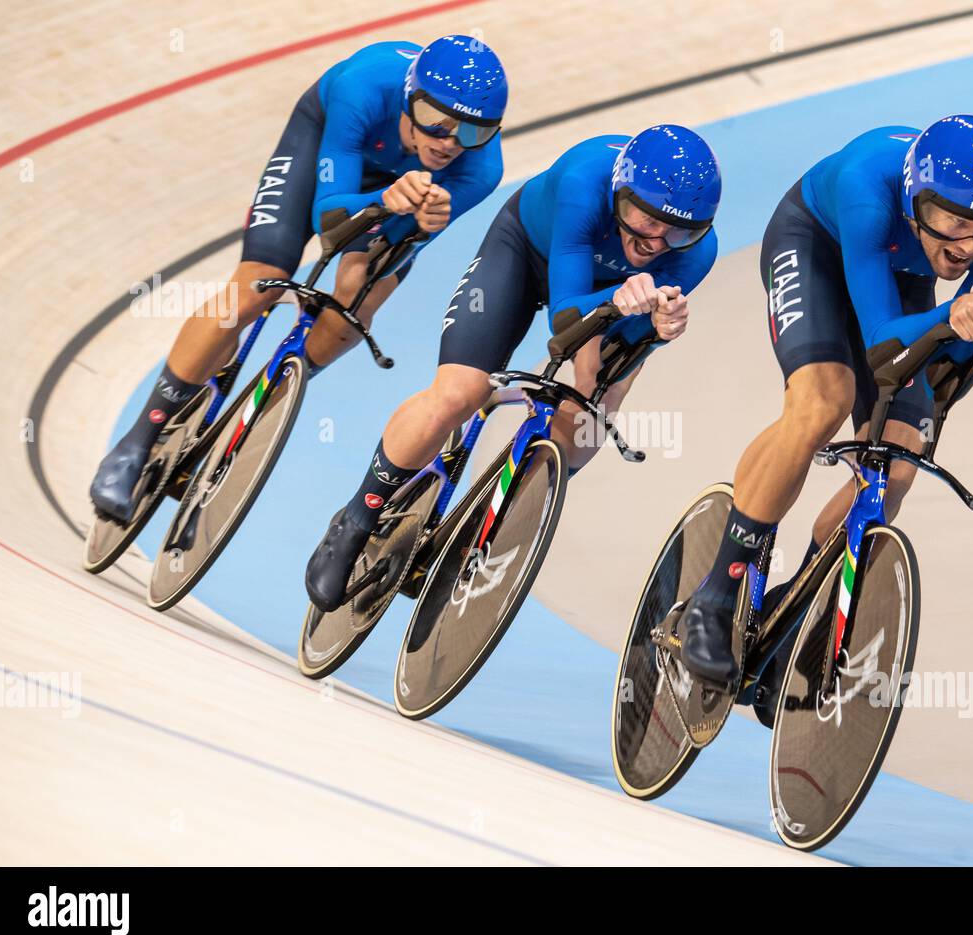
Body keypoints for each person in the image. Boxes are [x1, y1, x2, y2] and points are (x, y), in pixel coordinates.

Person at [680, 114, 973, 706]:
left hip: (899, 277)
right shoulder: (869, 188)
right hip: (815, 244)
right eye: (955, 221)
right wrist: (952, 319)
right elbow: (881, 345)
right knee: (824, 401)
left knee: (899, 460)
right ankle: (716, 594)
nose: (969, 246)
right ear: (916, 199)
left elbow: (944, 374)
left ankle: (796, 611)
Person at [304, 125, 722, 611]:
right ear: (617, 193)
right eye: (643, 218)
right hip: (526, 257)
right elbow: (564, 324)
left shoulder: (698, 253)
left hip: (616, 303)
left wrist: (657, 328)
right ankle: (359, 515)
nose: (656, 241)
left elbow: (621, 348)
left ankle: (490, 524)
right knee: (458, 394)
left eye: (680, 230)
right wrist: (617, 296)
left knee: (592, 416)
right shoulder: (584, 180)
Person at [89, 36, 507, 521]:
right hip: (323, 162)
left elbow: (395, 248)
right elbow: (331, 217)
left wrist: (418, 221)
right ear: (409, 98)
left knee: (356, 301)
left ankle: (276, 390)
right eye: (438, 123)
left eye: (473, 133)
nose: (450, 143)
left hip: (393, 202)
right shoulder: (362, 87)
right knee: (255, 287)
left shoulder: (481, 169)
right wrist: (386, 199)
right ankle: (138, 441)